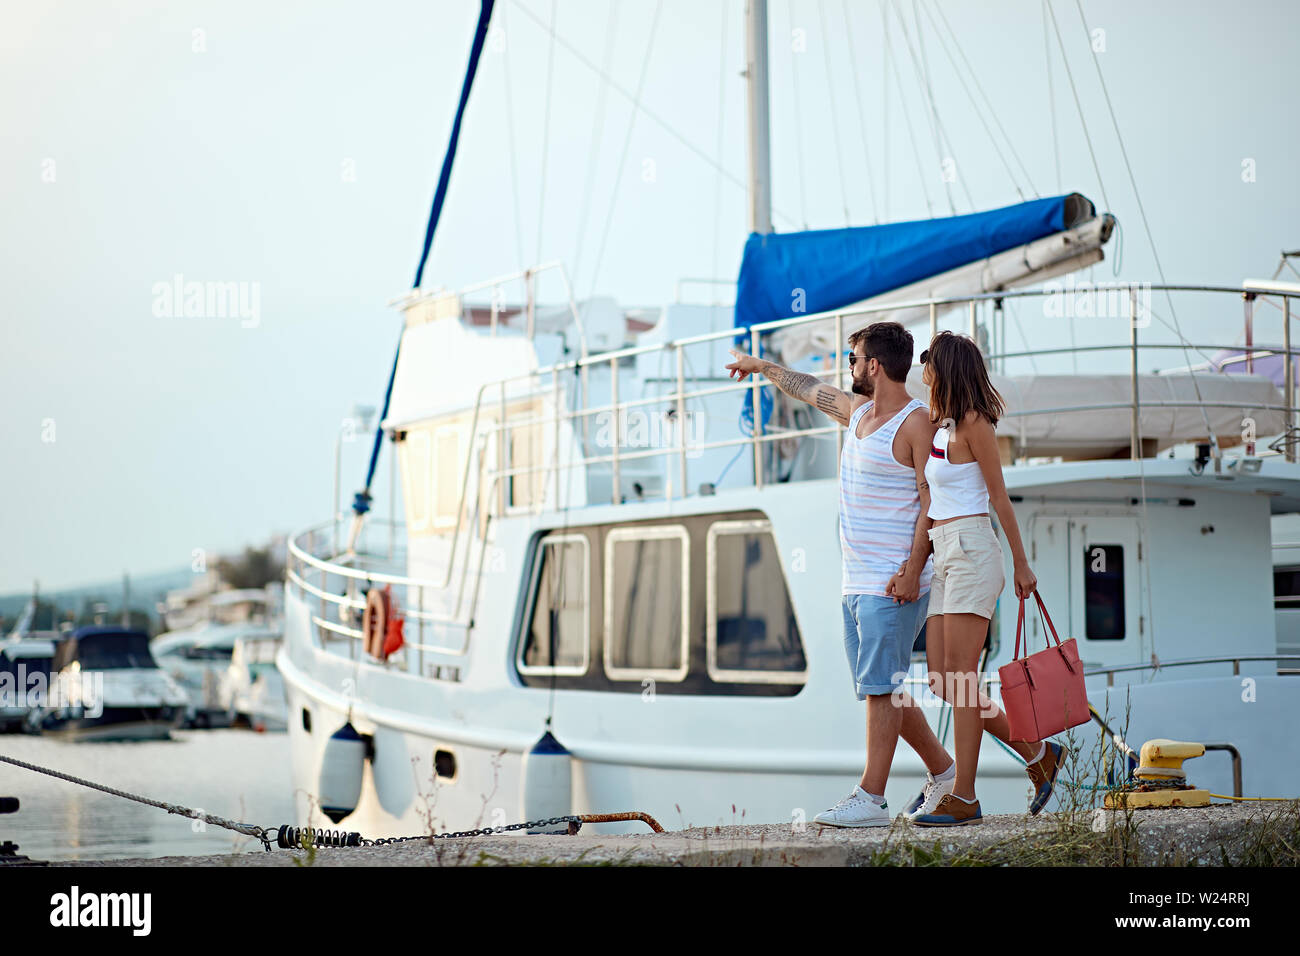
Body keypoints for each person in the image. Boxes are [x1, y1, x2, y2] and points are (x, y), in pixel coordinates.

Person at [725, 322, 956, 827]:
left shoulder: (917, 425)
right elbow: (808, 389)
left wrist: (914, 569)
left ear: (874, 365)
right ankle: (944, 772)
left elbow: (932, 502)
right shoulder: (858, 413)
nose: (847, 368)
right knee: (885, 688)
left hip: (891, 583)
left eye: (853, 359)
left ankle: (871, 799)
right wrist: (763, 367)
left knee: (880, 688)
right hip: (856, 582)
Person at [908, 330, 1064, 827]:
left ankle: (966, 796)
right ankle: (1038, 754)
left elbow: (999, 497)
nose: (925, 371)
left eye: (930, 363)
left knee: (962, 677)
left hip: (975, 548)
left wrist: (1021, 563)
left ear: (949, 369)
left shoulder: (976, 424)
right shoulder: (937, 428)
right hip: (944, 553)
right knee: (941, 677)